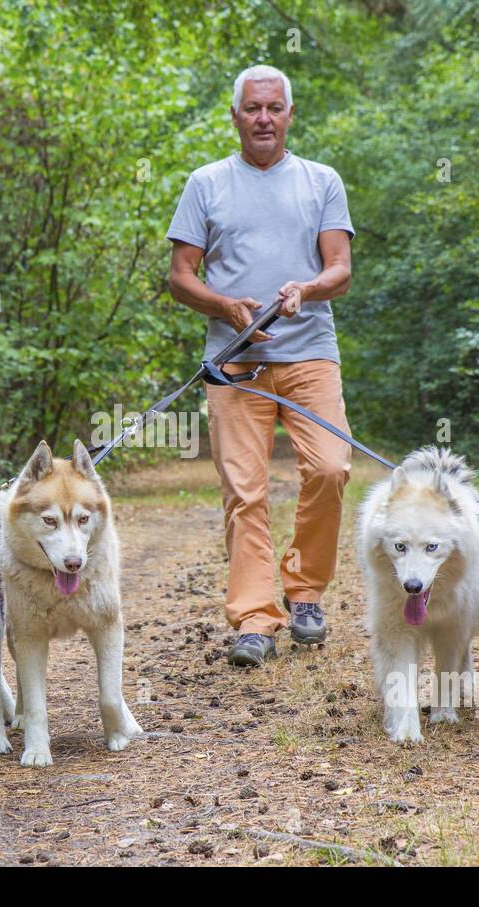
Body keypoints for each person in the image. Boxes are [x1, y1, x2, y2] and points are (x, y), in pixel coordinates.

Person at [166, 64, 356, 667]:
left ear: (290, 115)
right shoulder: (206, 183)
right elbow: (180, 277)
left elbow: (340, 269)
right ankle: (254, 618)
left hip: (309, 354)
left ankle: (304, 593)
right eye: (253, 109)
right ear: (236, 116)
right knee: (244, 493)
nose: (264, 118)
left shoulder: (322, 180)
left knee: (330, 468)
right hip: (234, 364)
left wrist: (309, 289)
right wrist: (225, 304)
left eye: (274, 108)